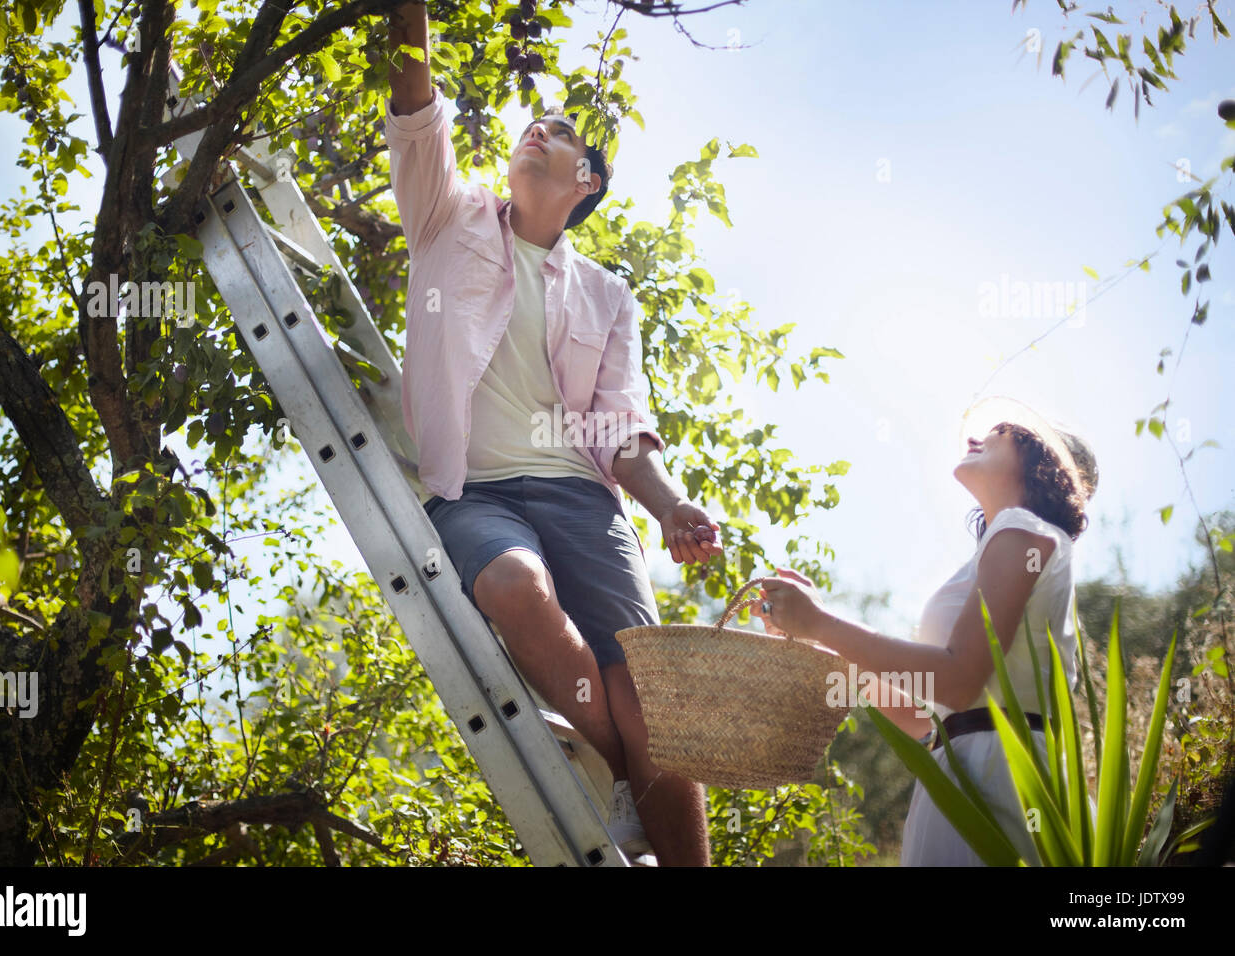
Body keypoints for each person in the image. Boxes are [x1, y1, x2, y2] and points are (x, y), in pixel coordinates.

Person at [384, 0, 720, 865]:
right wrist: (408, 12)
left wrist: (672, 505)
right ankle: (619, 779)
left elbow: (620, 425)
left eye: (561, 132)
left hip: (581, 497)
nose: (539, 129)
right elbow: (417, 111)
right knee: (511, 584)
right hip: (477, 493)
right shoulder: (446, 216)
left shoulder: (608, 296)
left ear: (588, 183)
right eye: (534, 125)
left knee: (644, 690)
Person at [750, 397, 1099, 865]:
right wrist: (820, 635)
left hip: (998, 778)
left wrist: (819, 621)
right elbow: (921, 715)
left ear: (1042, 459)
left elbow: (956, 682)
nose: (977, 437)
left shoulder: (1024, 529)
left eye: (1000, 430)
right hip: (960, 772)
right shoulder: (994, 552)